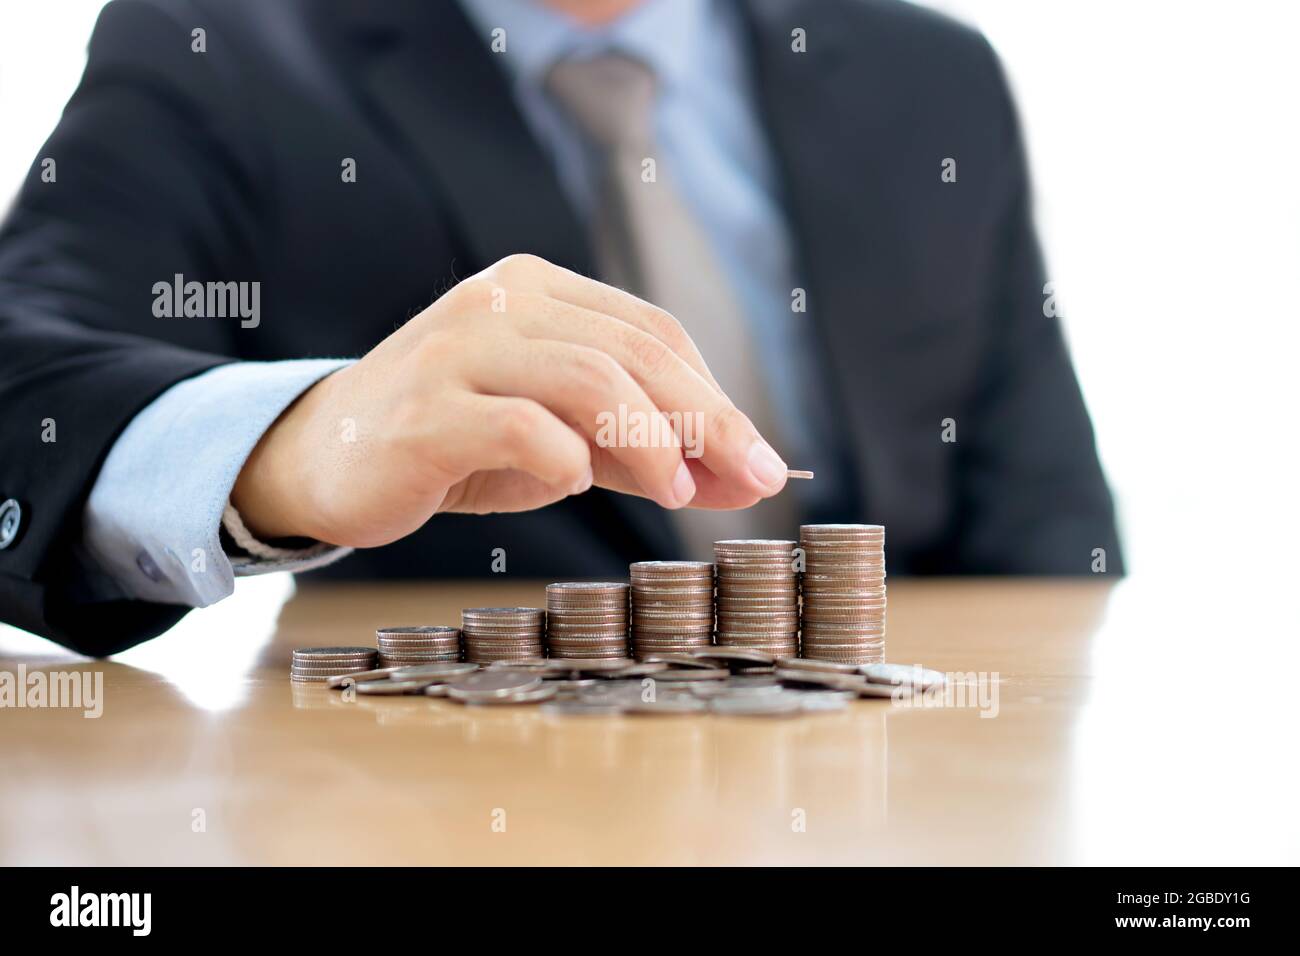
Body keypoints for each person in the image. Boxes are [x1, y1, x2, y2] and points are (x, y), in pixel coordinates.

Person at [0, 0, 1122, 657]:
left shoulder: (929, 76)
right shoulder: (219, 47)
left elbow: (1044, 513)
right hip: (468, 797)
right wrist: (290, 444)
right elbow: (19, 387)